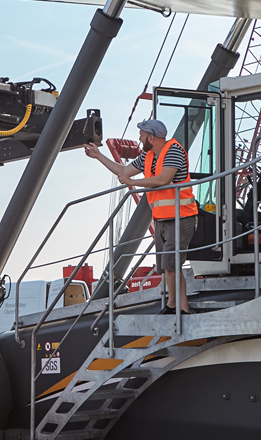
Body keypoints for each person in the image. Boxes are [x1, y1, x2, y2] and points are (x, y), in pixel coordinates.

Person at [84, 118, 198, 313]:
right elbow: (122, 170)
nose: (139, 138)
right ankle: (173, 306)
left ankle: (181, 308)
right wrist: (98, 156)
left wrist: (134, 182)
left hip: (181, 217)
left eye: (142, 135)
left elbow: (163, 179)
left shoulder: (174, 151)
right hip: (162, 218)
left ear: (151, 138)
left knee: (172, 264)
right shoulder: (147, 155)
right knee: (167, 266)